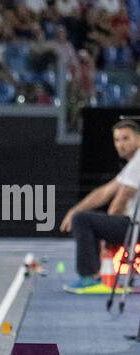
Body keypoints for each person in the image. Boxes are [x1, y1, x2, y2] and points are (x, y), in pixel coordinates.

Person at [60, 117, 140, 293]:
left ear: (139, 139)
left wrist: (107, 237)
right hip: (133, 225)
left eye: (126, 138)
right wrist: (75, 209)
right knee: (86, 217)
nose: (121, 144)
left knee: (82, 220)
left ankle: (90, 278)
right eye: (117, 140)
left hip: (136, 226)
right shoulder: (133, 164)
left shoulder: (139, 161)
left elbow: (121, 200)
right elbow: (104, 192)